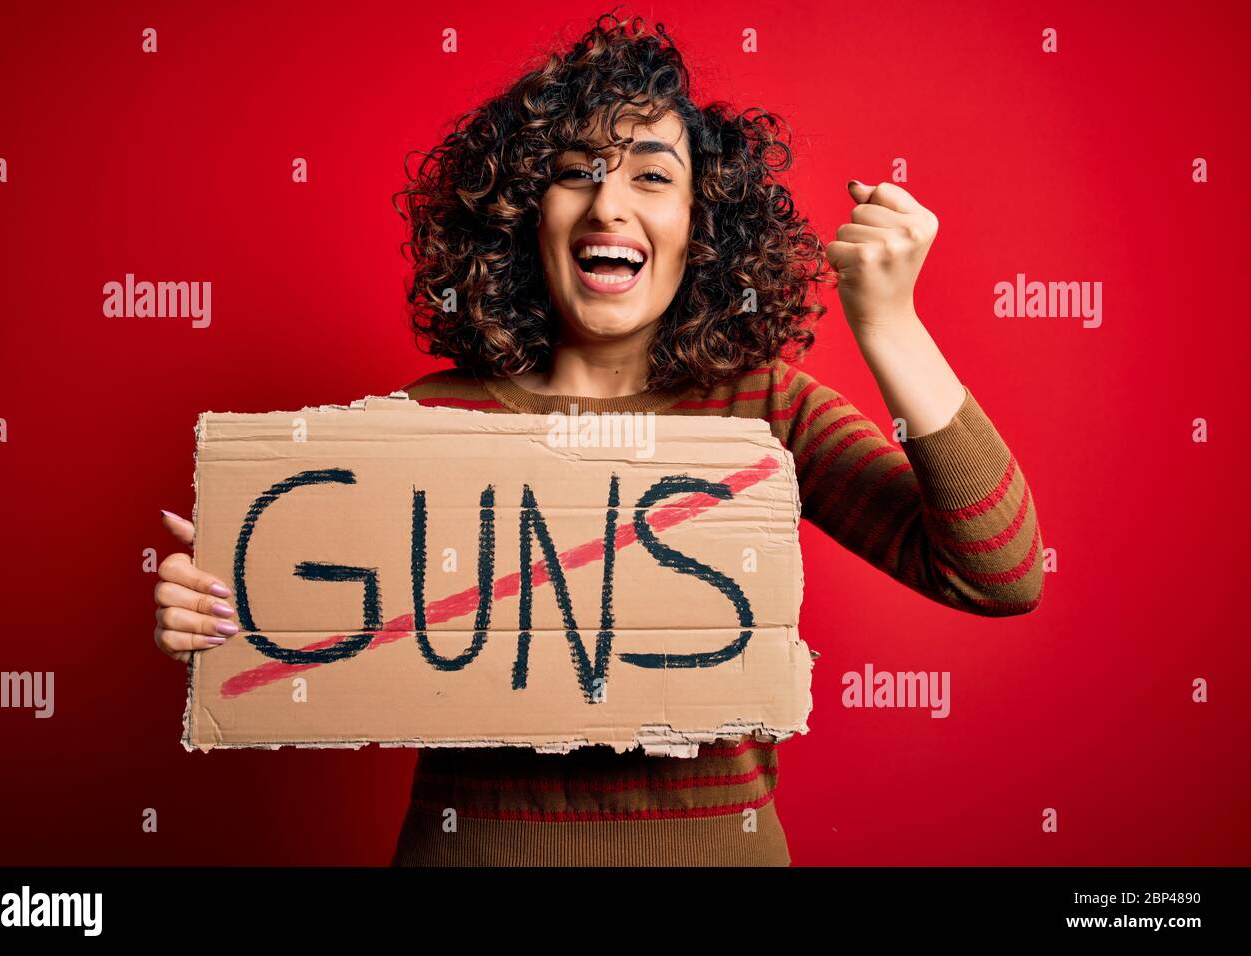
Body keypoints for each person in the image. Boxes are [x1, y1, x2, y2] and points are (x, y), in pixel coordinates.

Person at [152, 12, 1044, 866]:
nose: (608, 204)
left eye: (651, 176)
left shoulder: (766, 413)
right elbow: (303, 624)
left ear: (702, 228)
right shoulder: (429, 422)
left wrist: (890, 326)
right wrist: (224, 607)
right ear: (524, 214)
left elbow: (998, 573)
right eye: (575, 171)